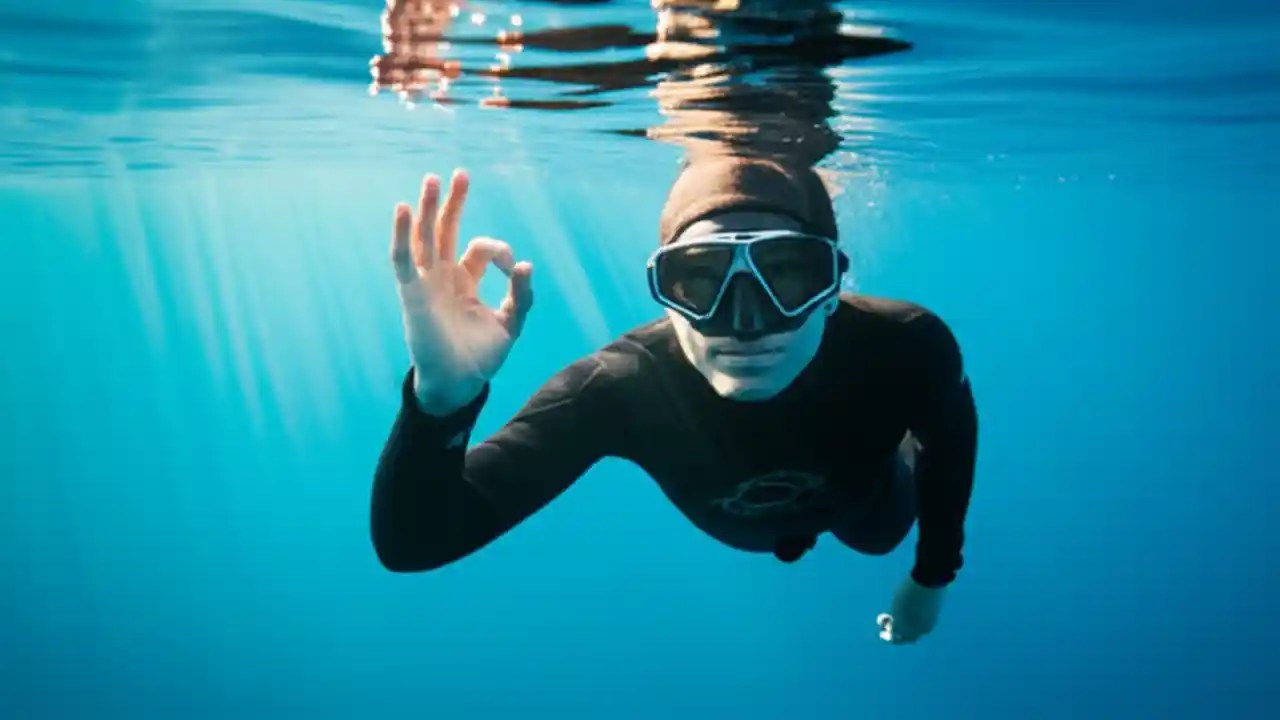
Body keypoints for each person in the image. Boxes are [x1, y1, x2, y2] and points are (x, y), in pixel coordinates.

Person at [370, 154, 979, 646]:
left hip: (867, 504)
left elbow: (949, 443)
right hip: (770, 518)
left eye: (789, 275)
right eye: (702, 281)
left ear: (831, 288)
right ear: (665, 295)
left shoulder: (903, 346)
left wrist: (932, 577)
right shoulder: (623, 384)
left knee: (876, 537)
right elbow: (416, 542)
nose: (745, 323)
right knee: (809, 535)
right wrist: (440, 401)